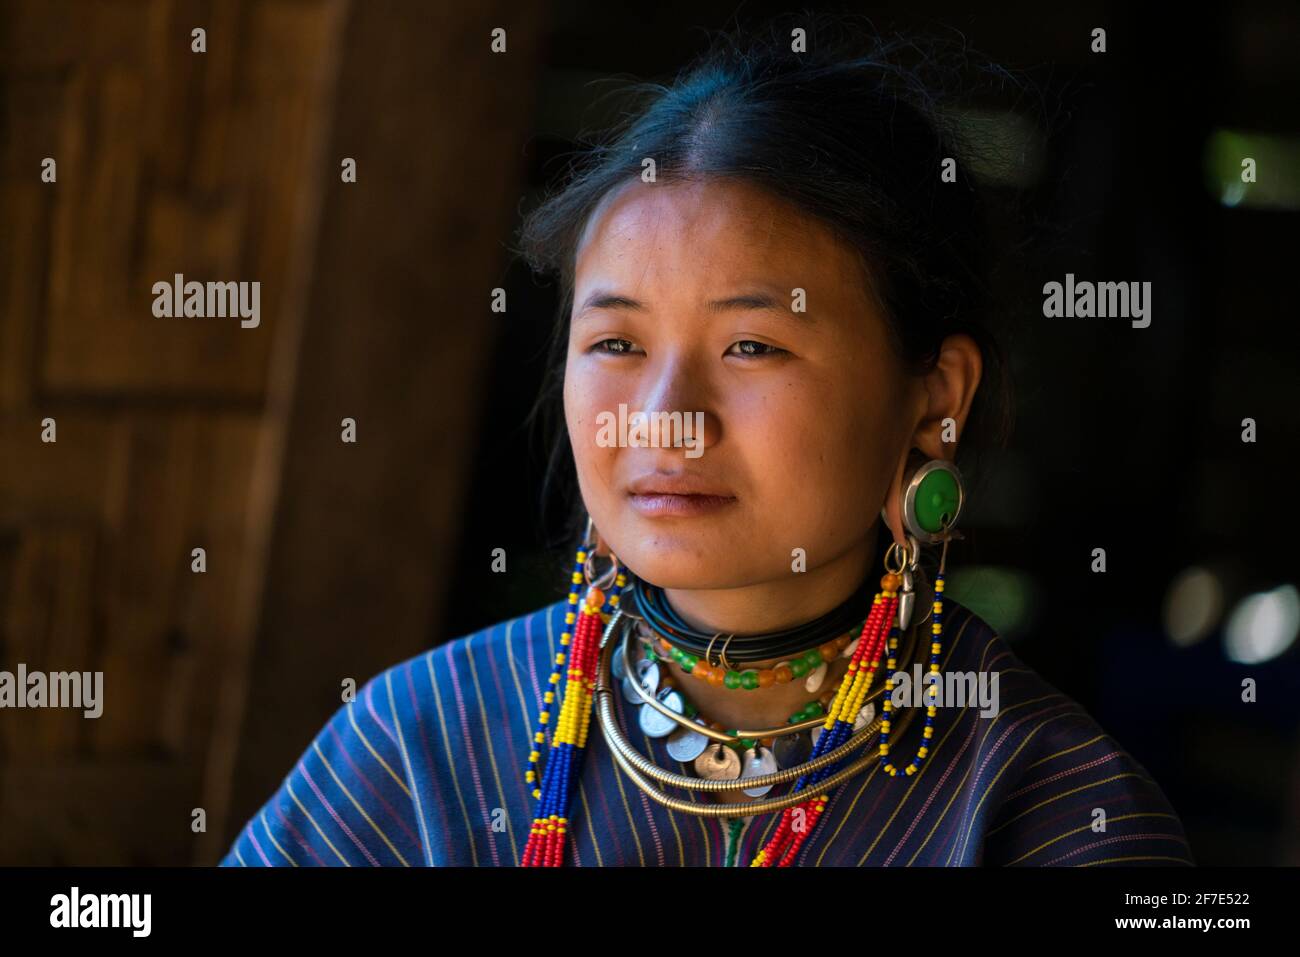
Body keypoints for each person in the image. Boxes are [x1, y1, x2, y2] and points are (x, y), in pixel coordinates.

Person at [219, 16, 1193, 867]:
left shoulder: (1047, 814)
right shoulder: (419, 750)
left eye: (753, 345)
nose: (663, 413)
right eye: (615, 343)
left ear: (935, 398)